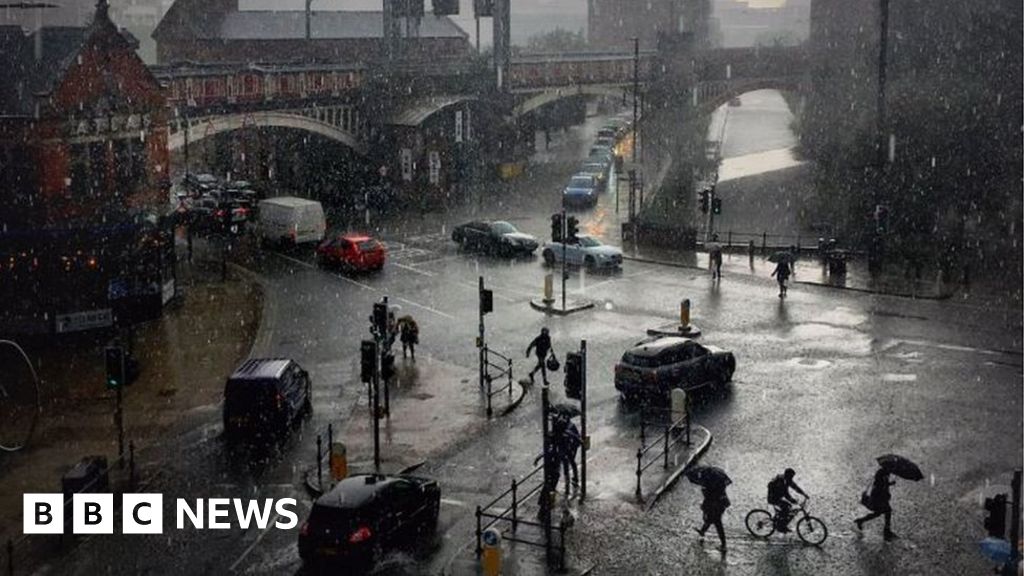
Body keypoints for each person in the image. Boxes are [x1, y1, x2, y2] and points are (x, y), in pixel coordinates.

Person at [855, 467, 898, 540]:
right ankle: (886, 532)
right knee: (887, 511)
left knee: (879, 513)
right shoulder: (881, 473)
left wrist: (889, 484)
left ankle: (861, 520)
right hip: (878, 498)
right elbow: (879, 485)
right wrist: (888, 484)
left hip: (880, 498)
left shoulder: (884, 473)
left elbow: (883, 484)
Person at [767, 468, 807, 532]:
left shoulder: (787, 479)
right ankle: (780, 526)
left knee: (787, 508)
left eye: (792, 477)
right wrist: (792, 500)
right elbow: (785, 493)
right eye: (791, 476)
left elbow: (795, 487)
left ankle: (780, 522)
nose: (791, 478)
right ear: (787, 475)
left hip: (777, 497)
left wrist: (804, 494)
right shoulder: (780, 480)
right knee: (786, 508)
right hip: (773, 498)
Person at [695, 484, 730, 550]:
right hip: (720, 506)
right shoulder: (719, 484)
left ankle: (724, 545)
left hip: (715, 507)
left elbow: (708, 500)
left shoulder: (710, 488)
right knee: (710, 520)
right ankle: (702, 531)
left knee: (717, 524)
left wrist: (703, 507)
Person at [553, 416, 581, 495]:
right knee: (570, 465)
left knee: (567, 467)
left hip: (564, 451)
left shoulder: (560, 433)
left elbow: (575, 437)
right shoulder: (566, 432)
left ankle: (568, 484)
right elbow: (576, 437)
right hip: (566, 451)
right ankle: (570, 483)